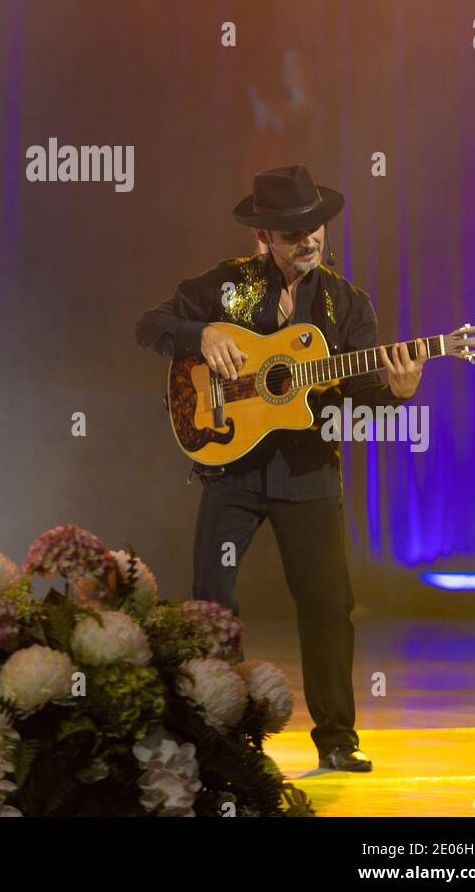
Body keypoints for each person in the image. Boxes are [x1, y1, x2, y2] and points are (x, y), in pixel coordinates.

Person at [135, 163, 426, 771]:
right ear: (262, 237)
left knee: (327, 603)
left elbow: (358, 395)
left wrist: (395, 392)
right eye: (293, 233)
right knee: (212, 599)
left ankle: (338, 740)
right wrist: (202, 332)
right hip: (230, 467)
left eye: (315, 227)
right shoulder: (226, 285)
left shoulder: (348, 305)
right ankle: (217, 734)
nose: (309, 240)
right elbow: (150, 326)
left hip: (309, 471)